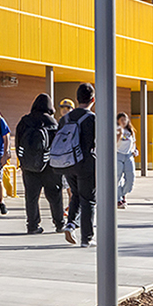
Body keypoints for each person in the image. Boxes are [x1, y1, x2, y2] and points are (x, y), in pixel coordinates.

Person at [14, 94, 64, 234]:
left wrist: (23, 162)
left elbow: (18, 143)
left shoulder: (25, 121)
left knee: (31, 197)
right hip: (50, 167)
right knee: (55, 195)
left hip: (29, 167)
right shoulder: (53, 123)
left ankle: (33, 225)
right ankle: (59, 223)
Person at [59, 84, 99, 247]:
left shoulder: (65, 119)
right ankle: (87, 238)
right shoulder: (92, 118)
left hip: (68, 162)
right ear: (93, 100)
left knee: (75, 194)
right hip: (86, 163)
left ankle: (70, 224)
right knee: (88, 199)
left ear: (77, 99)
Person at [114, 112, 137, 209]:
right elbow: (113, 142)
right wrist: (119, 132)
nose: (124, 121)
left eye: (125, 119)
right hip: (118, 154)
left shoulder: (130, 131)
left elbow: (134, 142)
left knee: (130, 178)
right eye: (121, 119)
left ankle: (122, 193)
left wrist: (134, 150)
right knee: (117, 178)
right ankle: (118, 199)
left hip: (128, 156)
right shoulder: (116, 130)